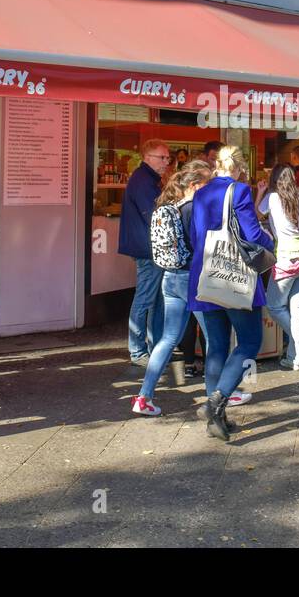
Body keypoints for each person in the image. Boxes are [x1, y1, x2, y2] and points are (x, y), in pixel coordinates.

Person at [187, 146, 274, 440]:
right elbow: (251, 235)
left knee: (216, 346)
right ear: (238, 167)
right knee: (250, 340)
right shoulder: (239, 191)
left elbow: (197, 234)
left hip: (205, 275)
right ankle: (217, 401)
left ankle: (215, 418)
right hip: (233, 276)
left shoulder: (201, 192)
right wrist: (270, 238)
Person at [133, 160, 213, 416]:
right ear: (194, 185)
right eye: (207, 184)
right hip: (192, 279)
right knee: (213, 337)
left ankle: (144, 396)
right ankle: (218, 394)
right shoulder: (194, 209)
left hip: (170, 276)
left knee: (167, 339)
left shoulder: (169, 207)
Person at [260, 163, 299, 370]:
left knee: (275, 306)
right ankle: (295, 358)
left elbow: (256, 217)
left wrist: (259, 192)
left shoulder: (272, 198)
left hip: (287, 258)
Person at [120, 139, 170, 366]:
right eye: (162, 157)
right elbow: (153, 216)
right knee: (146, 298)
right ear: (147, 158)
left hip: (150, 248)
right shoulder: (143, 181)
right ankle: (138, 350)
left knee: (156, 299)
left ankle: (156, 347)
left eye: (168, 158)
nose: (166, 162)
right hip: (148, 249)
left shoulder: (148, 180)